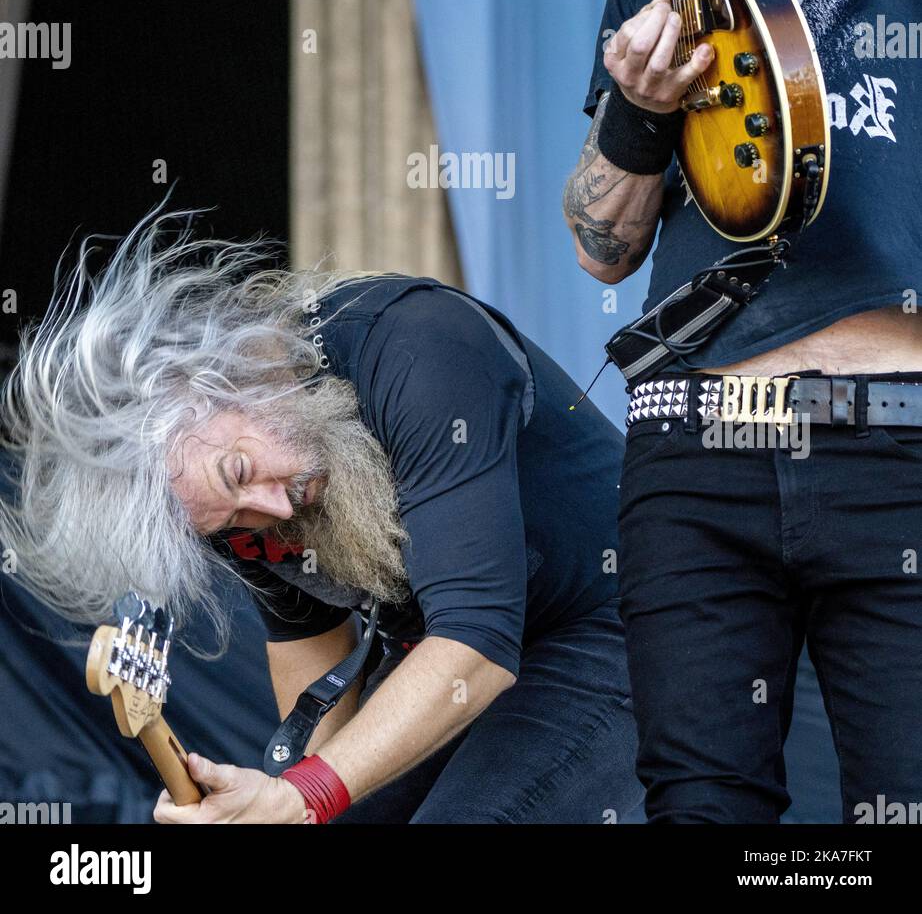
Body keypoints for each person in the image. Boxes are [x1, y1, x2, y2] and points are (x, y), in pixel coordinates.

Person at [563, 0, 922, 823]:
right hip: (692, 451)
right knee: (697, 803)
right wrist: (638, 120)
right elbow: (600, 241)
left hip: (895, 448)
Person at [0, 211, 643, 825]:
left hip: (613, 623)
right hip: (452, 656)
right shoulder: (220, 492)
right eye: (231, 523)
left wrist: (301, 797)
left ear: (232, 373)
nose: (272, 511)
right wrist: (294, 805)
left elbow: (475, 642)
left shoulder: (421, 348)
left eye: (241, 474)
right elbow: (308, 636)